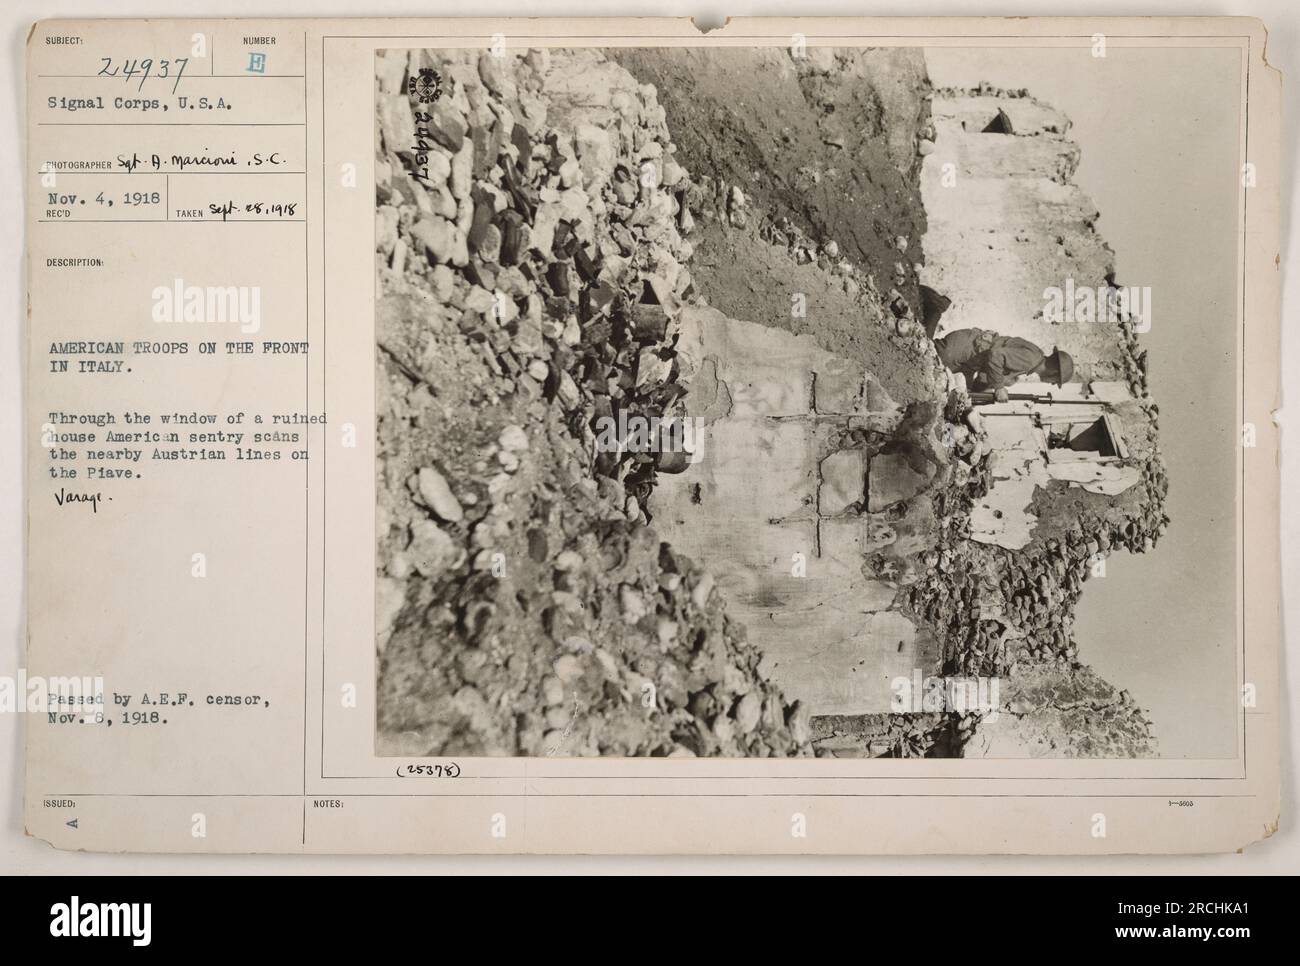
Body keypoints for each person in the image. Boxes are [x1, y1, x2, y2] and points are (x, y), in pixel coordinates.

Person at [934, 327, 1074, 401]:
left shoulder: (1032, 360)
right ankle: (935, 307)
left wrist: (984, 392)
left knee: (956, 393)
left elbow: (987, 371)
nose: (1052, 384)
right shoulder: (1030, 359)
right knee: (928, 360)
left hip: (970, 358)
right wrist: (999, 387)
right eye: (1056, 381)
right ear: (1053, 372)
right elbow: (995, 355)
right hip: (964, 349)